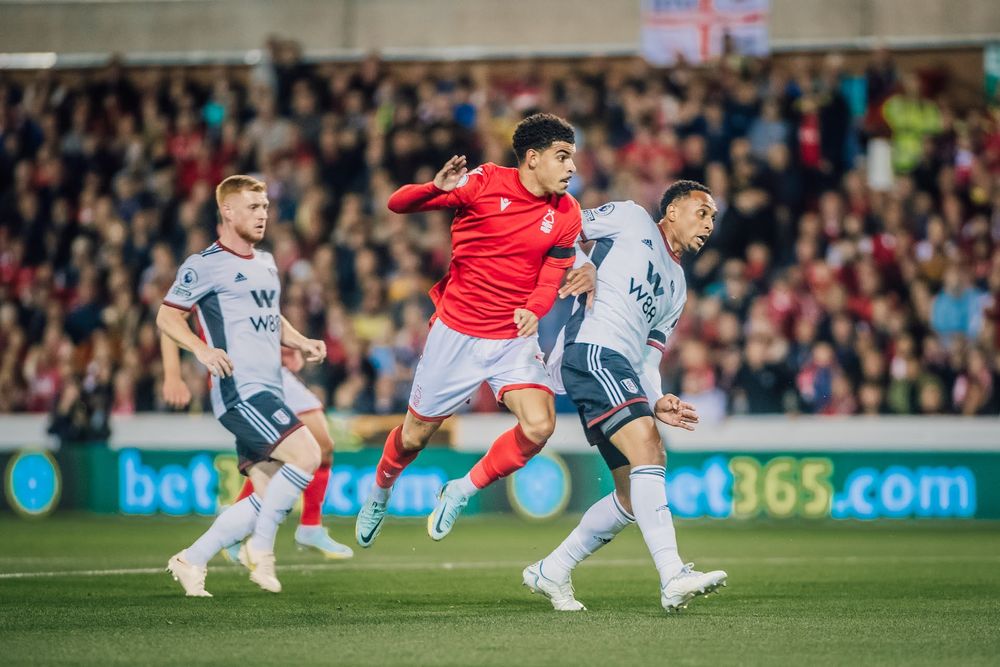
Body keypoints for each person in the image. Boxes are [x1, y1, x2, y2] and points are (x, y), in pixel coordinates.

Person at [355, 113, 595, 547]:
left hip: (512, 338)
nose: (571, 167)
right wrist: (435, 189)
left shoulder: (567, 213)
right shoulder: (484, 182)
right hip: (457, 333)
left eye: (572, 158)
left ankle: (460, 490)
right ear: (533, 158)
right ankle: (379, 492)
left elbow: (550, 277)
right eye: (562, 157)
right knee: (412, 438)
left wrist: (534, 311)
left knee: (540, 427)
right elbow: (397, 204)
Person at [524, 182, 727, 613]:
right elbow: (567, 225)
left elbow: (649, 360)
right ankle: (672, 574)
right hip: (593, 348)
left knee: (631, 496)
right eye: (701, 212)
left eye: (712, 218)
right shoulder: (633, 218)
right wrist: (585, 264)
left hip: (618, 366)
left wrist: (656, 400)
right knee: (650, 449)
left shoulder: (677, 286)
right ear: (672, 210)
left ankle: (552, 569)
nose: (708, 223)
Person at [158, 174, 328, 596]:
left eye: (266, 207)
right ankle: (261, 552)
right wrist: (199, 351)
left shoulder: (267, 262)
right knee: (308, 453)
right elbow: (167, 316)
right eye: (253, 207)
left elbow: (271, 316)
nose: (263, 215)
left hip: (268, 387)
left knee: (266, 498)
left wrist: (301, 341)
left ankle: (191, 559)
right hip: (240, 390)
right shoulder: (204, 264)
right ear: (227, 212)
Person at [161, 338, 353, 560]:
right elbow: (169, 317)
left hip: (271, 367)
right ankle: (234, 532)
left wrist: (291, 343)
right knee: (282, 454)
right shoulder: (208, 304)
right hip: (240, 372)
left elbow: (265, 314)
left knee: (319, 447)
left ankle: (307, 526)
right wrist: (173, 373)